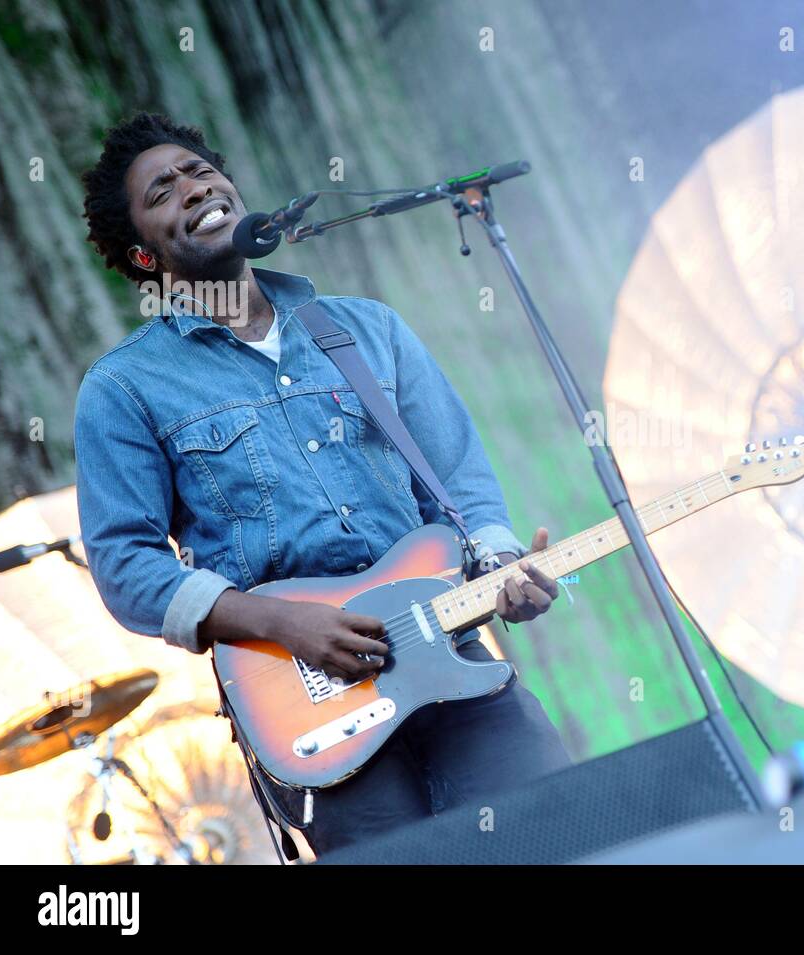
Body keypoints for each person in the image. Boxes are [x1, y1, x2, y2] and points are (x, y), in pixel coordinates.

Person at [74, 112, 571, 855]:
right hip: (307, 704)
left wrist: (499, 564)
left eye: (200, 170)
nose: (193, 185)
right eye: (162, 189)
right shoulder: (124, 387)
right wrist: (282, 623)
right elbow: (125, 565)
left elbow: (458, 485)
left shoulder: (366, 329)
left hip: (453, 659)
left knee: (567, 834)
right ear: (144, 255)